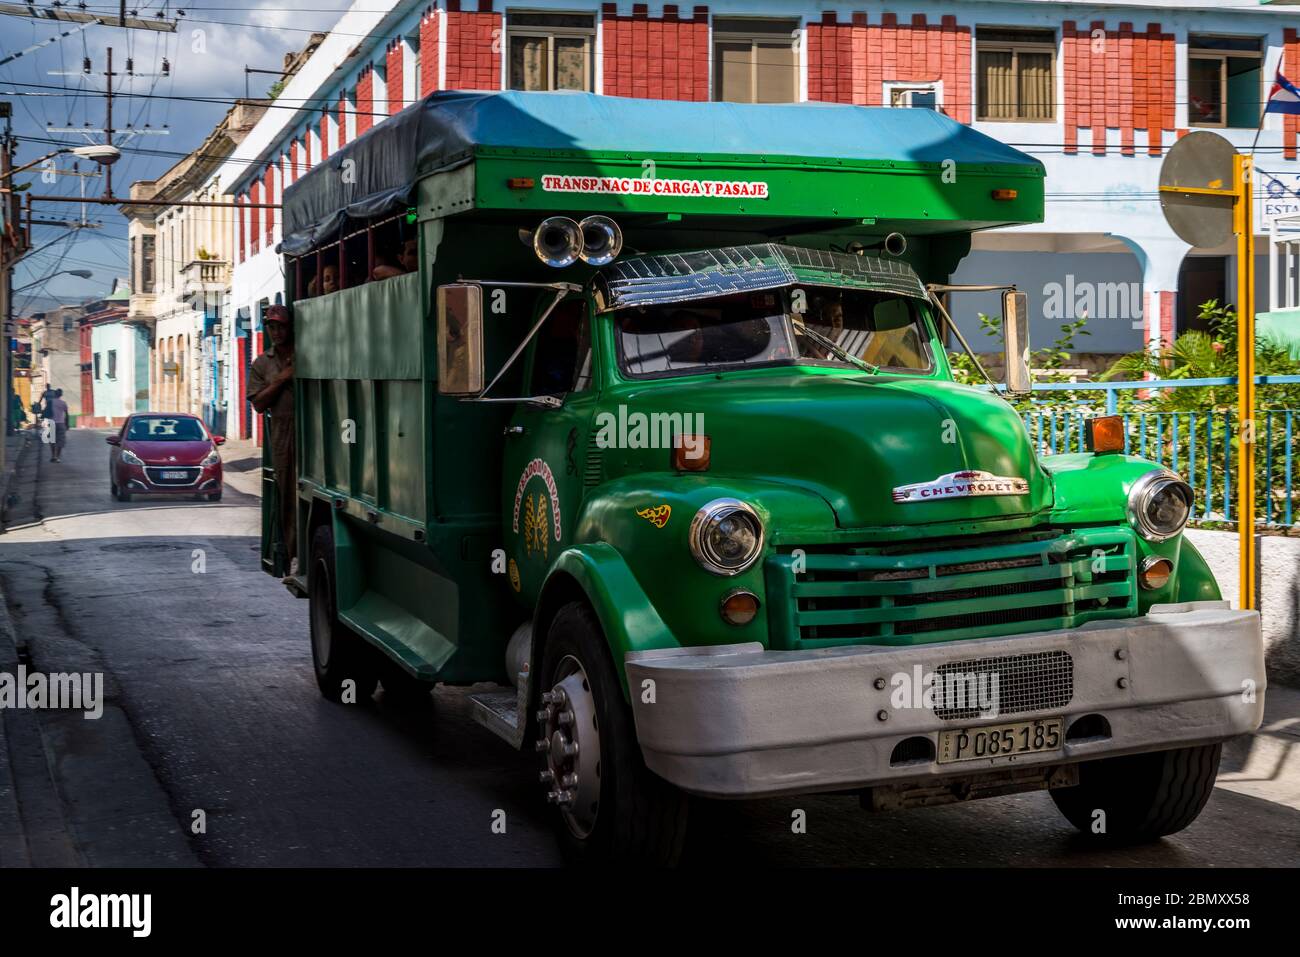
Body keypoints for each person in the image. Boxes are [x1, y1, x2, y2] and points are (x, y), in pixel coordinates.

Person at [249, 305, 298, 579]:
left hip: (312, 429)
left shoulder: (305, 353)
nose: (276, 332)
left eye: (281, 326)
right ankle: (294, 557)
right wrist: (281, 380)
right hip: (282, 434)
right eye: (271, 327)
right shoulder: (262, 363)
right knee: (288, 497)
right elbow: (258, 403)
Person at [47, 388, 69, 462]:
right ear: (61, 395)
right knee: (60, 441)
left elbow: (47, 411)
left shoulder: (50, 402)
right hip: (61, 423)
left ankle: (53, 455)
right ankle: (58, 457)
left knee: (52, 440)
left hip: (52, 423)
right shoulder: (63, 403)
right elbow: (67, 415)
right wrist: (67, 424)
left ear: (55, 394)